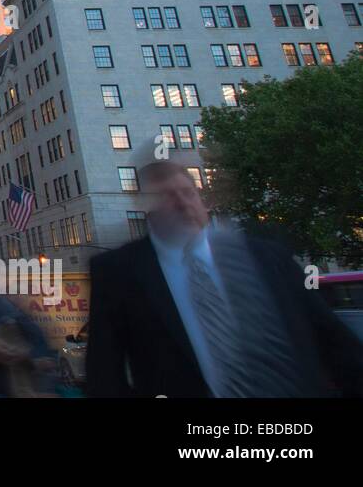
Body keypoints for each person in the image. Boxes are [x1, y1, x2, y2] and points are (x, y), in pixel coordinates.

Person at [88, 158, 363, 398]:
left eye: (188, 193)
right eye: (168, 197)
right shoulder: (117, 272)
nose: (183, 204)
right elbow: (104, 375)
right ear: (148, 209)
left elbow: (333, 340)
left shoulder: (266, 257)